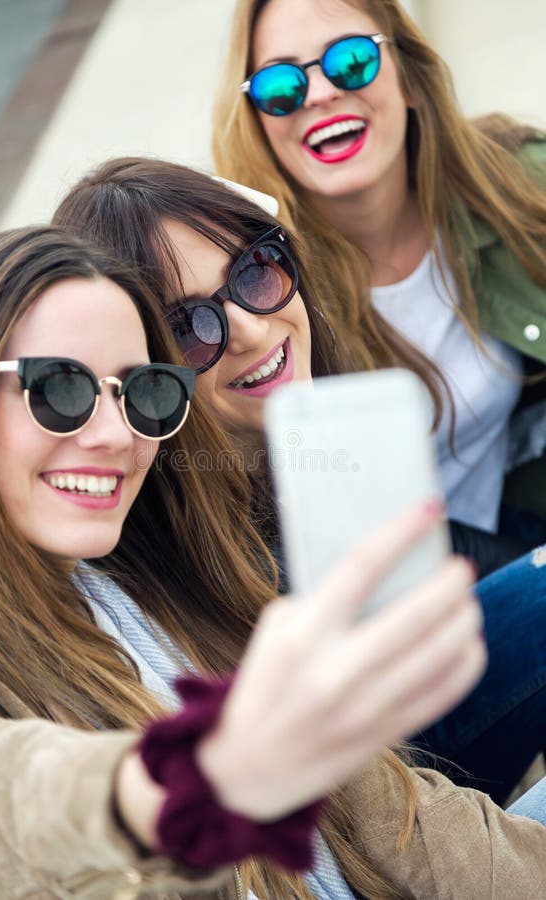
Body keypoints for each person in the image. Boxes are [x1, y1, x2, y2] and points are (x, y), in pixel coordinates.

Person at [0, 224, 534, 899]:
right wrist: (197, 779)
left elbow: (408, 825)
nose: (115, 436)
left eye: (143, 393)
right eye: (60, 388)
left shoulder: (154, 585)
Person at [53, 156, 546, 807]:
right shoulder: (153, 522)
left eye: (255, 272)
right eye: (187, 326)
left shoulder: (305, 434)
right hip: (373, 803)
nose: (252, 332)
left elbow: (440, 557)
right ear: (142, 373)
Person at [211, 0, 546, 548]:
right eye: (280, 85)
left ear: (410, 80)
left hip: (520, 526)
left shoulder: (515, 186)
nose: (319, 93)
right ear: (257, 124)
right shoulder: (252, 291)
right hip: (387, 586)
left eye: (350, 60)